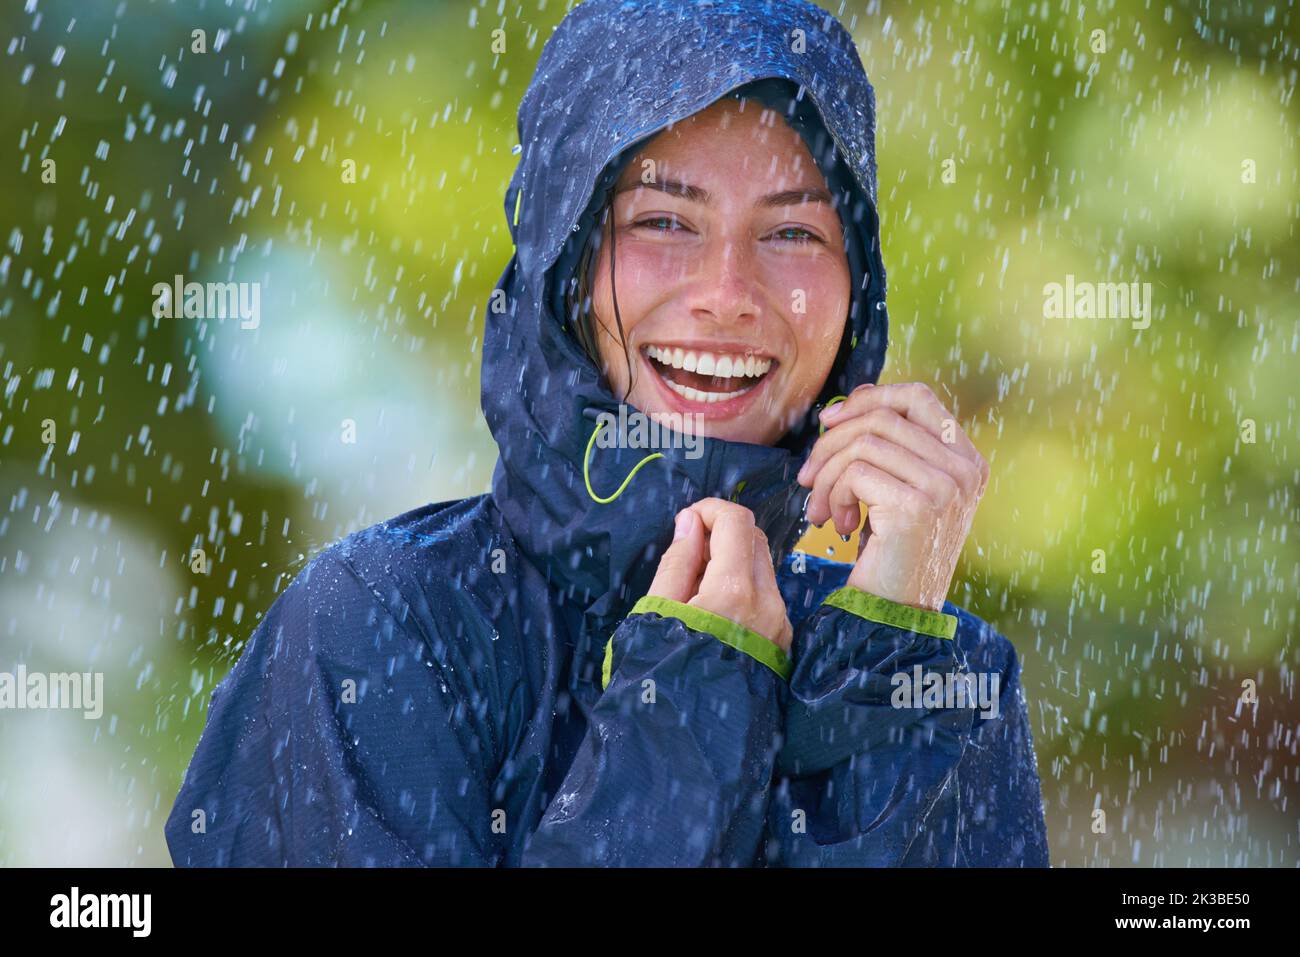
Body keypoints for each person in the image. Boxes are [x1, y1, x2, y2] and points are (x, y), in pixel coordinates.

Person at [165, 0, 1050, 867]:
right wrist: (690, 703)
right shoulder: (381, 625)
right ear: (566, 267)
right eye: (663, 221)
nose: (727, 293)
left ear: (858, 289)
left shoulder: (942, 670)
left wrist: (885, 667)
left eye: (792, 230)